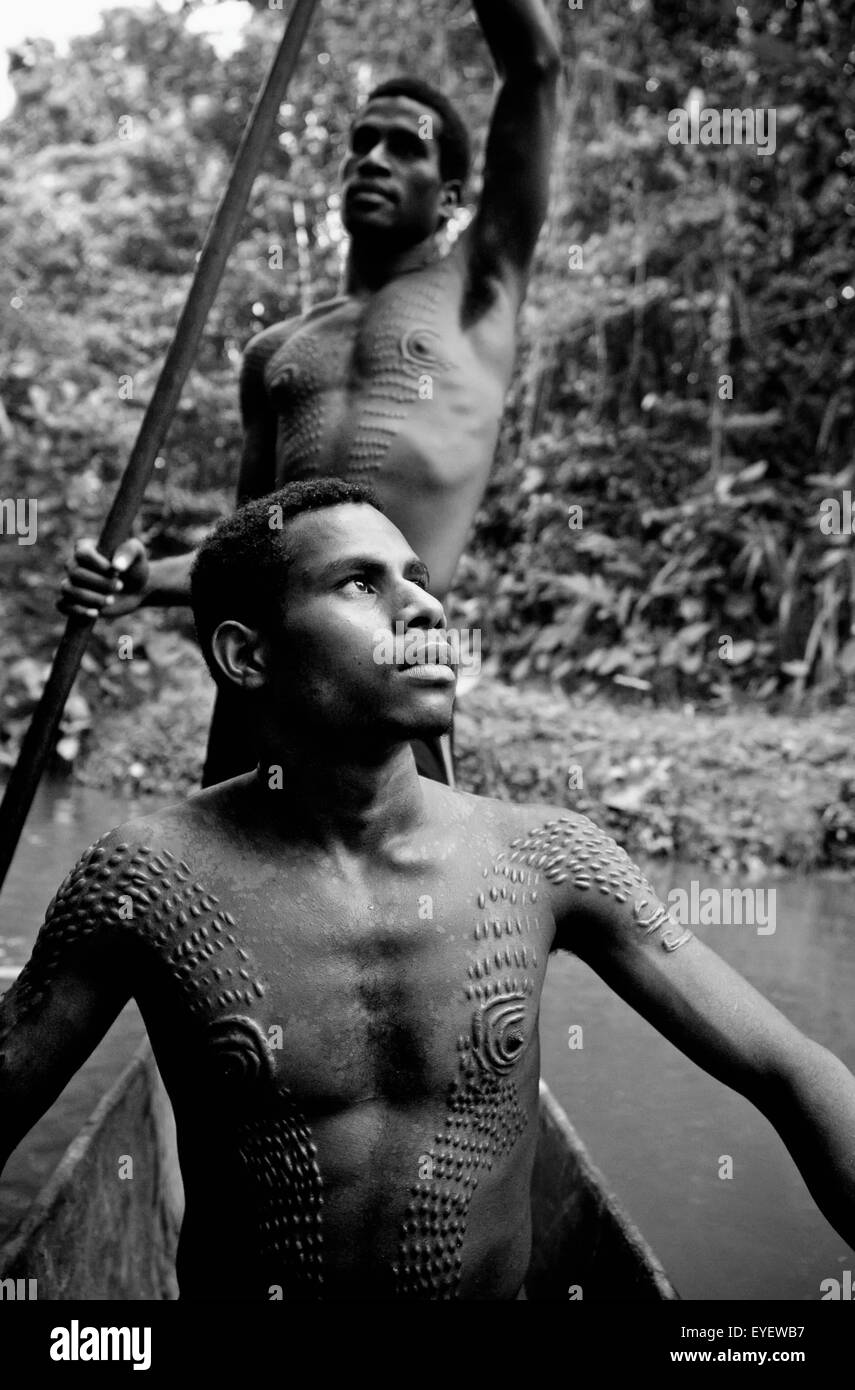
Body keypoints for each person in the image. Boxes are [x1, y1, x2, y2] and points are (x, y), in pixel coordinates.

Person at [7, 480, 855, 1300]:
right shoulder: (143, 879)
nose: (426, 608)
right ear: (247, 655)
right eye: (359, 584)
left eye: (417, 578)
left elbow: (791, 1071)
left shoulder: (547, 856)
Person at [58, 0, 562, 788]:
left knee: (405, 896)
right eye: (361, 142)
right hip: (266, 681)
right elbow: (250, 547)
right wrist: (143, 579)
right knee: (226, 900)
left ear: (452, 193)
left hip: (393, 662)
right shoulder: (274, 353)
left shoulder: (479, 289)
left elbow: (533, 66)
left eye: (405, 147)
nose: (373, 159)